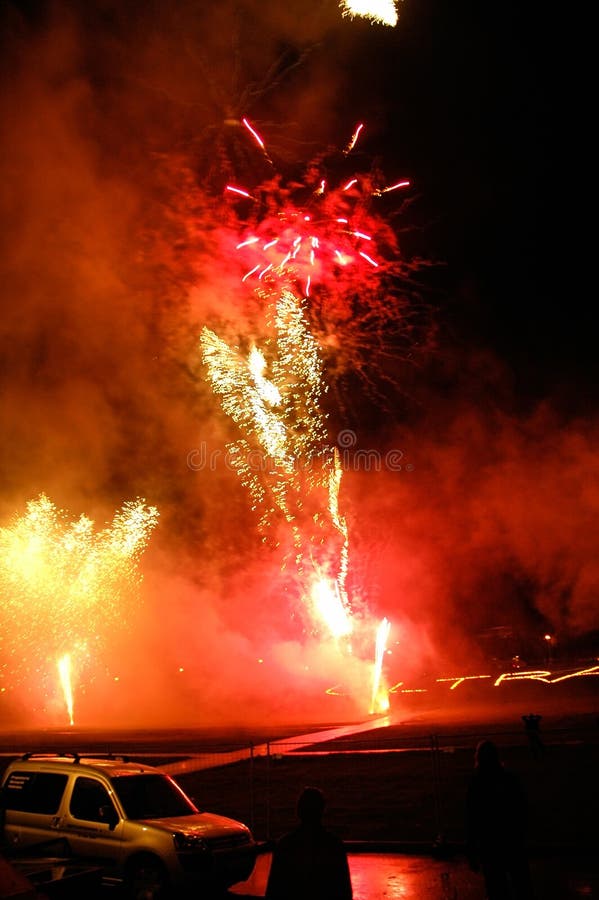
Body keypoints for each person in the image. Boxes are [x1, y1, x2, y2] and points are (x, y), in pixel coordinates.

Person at [466, 740, 534, 899]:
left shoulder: (476, 784)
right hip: (512, 840)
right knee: (521, 885)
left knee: (496, 887)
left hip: (489, 843)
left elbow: (471, 817)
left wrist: (471, 849)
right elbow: (522, 809)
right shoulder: (510, 779)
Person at [265, 786, 353, 900]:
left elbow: (273, 891)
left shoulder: (285, 845)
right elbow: (345, 892)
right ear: (322, 811)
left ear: (298, 811)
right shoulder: (335, 845)